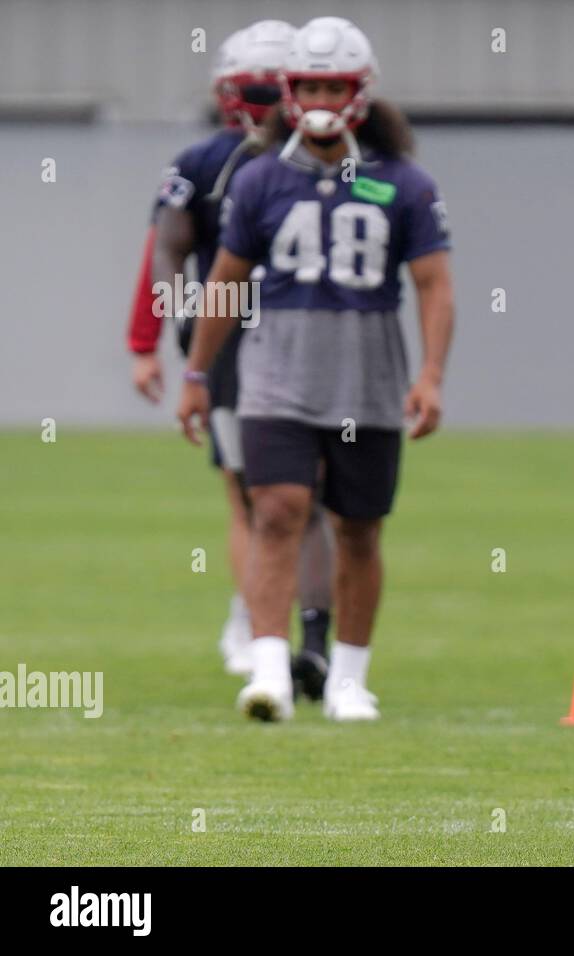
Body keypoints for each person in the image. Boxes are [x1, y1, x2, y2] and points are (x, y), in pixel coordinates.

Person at [176, 17, 454, 722]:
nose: (323, 95)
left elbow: (433, 286)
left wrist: (431, 376)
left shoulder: (405, 182)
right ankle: (269, 667)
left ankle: (348, 677)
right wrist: (198, 374)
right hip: (278, 376)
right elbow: (225, 282)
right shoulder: (264, 176)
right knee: (275, 511)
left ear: (360, 92)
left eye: (335, 83)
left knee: (358, 527)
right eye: (311, 84)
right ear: (289, 92)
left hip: (367, 382)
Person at [125, 21, 336, 695]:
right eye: (255, 88)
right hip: (231, 345)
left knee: (313, 499)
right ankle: (253, 618)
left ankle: (308, 638)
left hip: (314, 339)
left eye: (277, 88)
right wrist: (168, 330)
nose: (266, 102)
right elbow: (163, 250)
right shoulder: (200, 163)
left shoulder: (331, 159)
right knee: (251, 494)